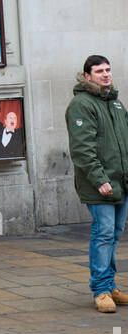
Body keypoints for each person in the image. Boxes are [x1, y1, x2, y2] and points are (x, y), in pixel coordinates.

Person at [66, 54, 128, 313]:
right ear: (87, 75)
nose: (106, 74)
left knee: (114, 234)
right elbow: (82, 149)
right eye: (99, 71)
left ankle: (110, 285)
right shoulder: (81, 105)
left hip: (121, 182)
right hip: (99, 184)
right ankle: (101, 290)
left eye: (108, 69)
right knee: (103, 234)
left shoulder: (114, 103)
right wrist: (100, 179)